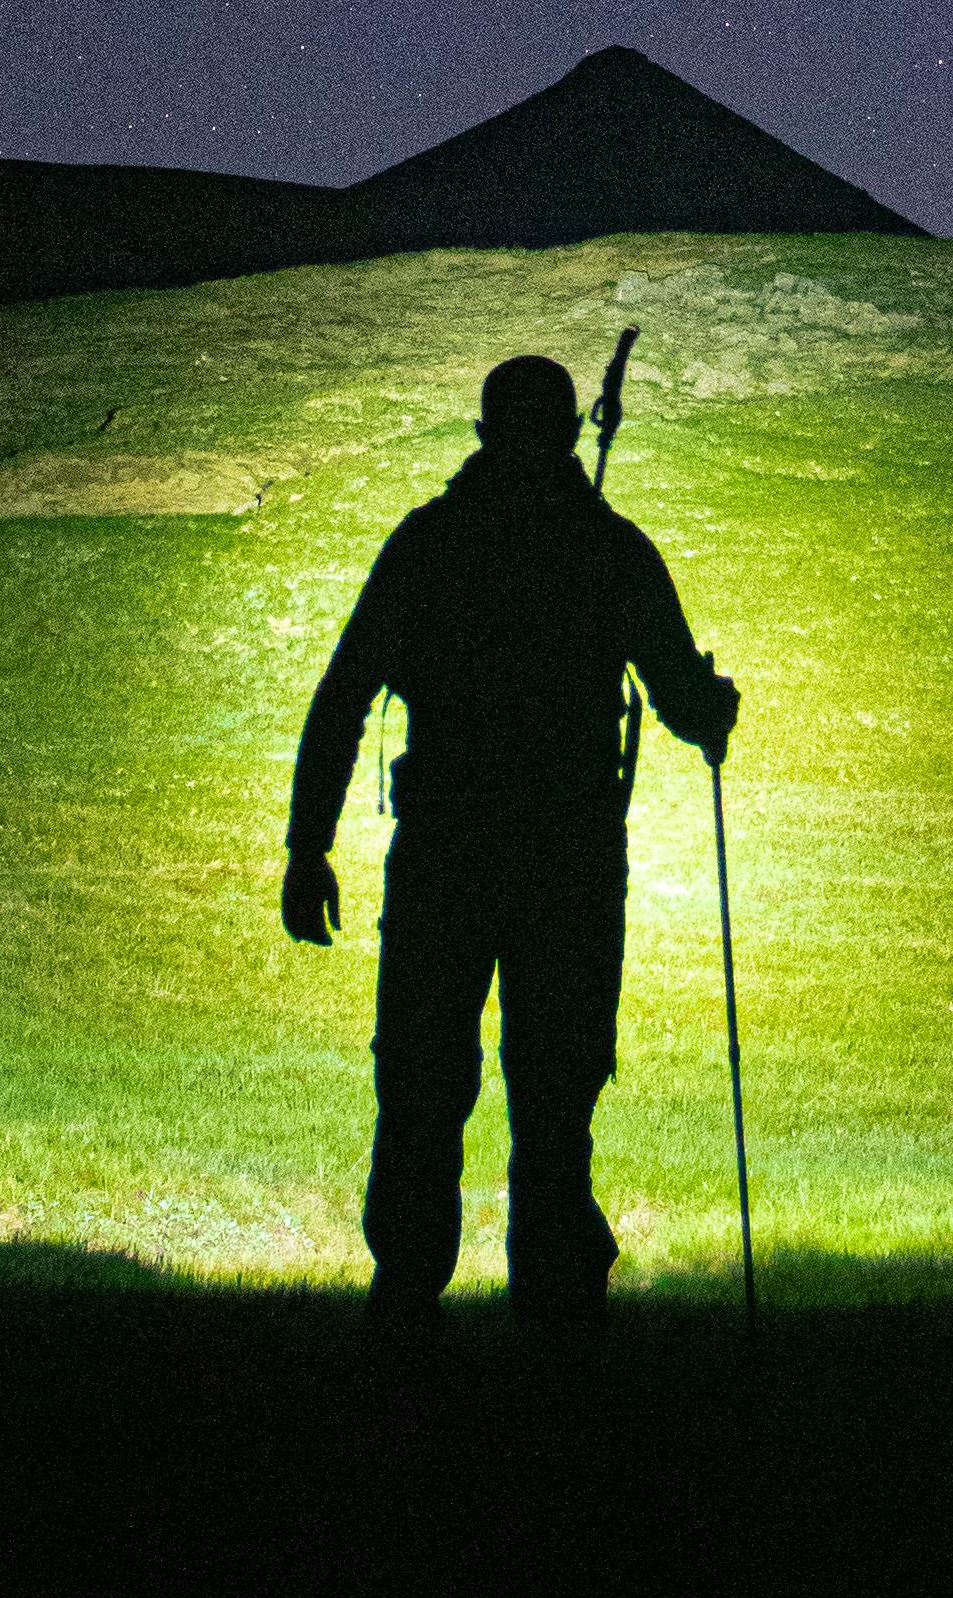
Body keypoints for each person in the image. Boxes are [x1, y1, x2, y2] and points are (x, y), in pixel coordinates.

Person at [283, 351, 740, 1320]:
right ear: (573, 433)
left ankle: (404, 1313)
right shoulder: (609, 549)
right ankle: (554, 1328)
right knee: (554, 1097)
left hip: (442, 857)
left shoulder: (429, 543)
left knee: (417, 1086)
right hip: (568, 867)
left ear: (483, 434)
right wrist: (715, 709)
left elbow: (344, 693)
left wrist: (306, 846)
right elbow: (681, 700)